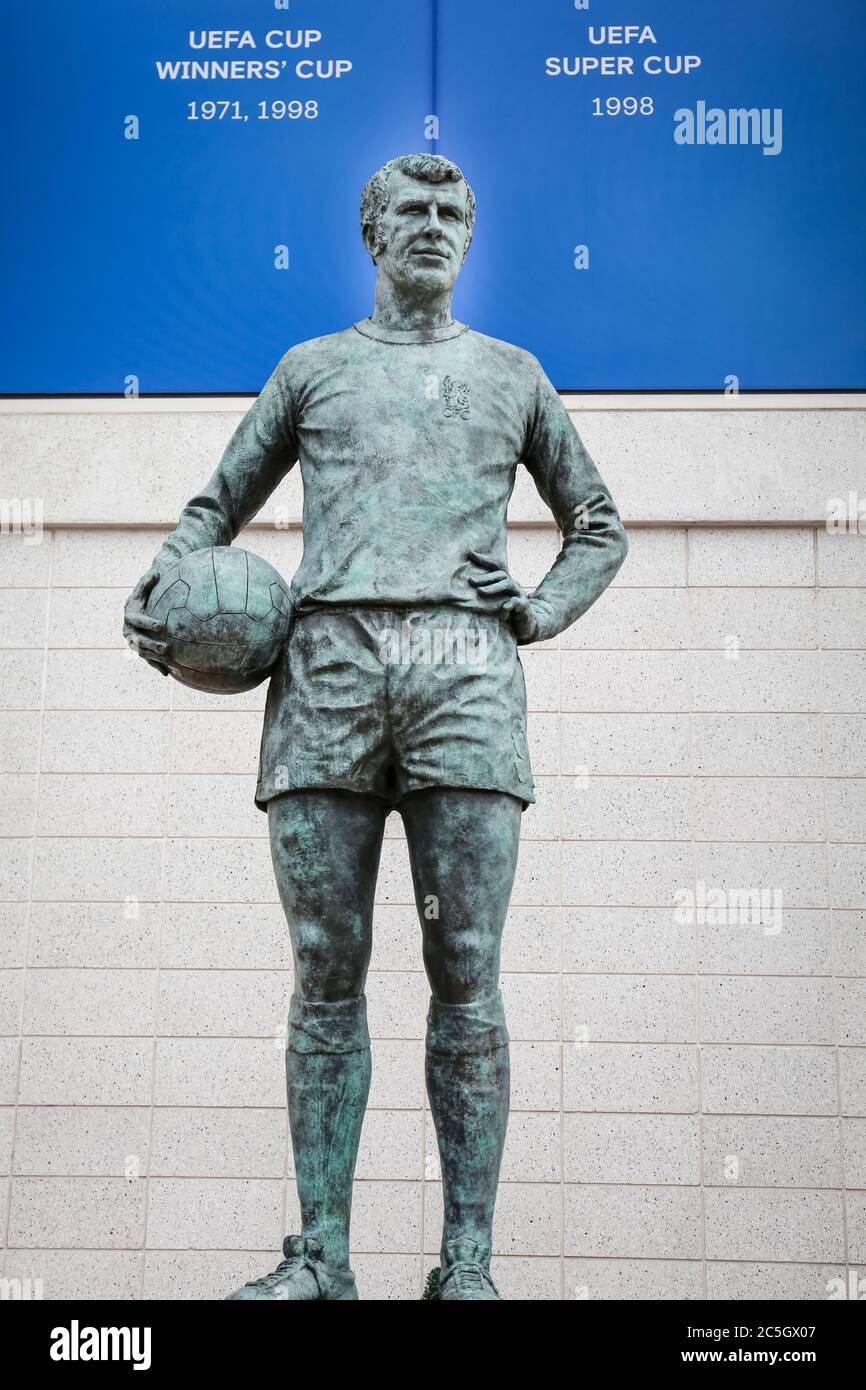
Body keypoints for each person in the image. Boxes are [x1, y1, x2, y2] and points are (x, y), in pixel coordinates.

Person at [123, 153, 628, 1300]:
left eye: (453, 211)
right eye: (411, 208)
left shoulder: (511, 373)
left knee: (465, 963)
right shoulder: (312, 370)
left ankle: (466, 1263)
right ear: (371, 232)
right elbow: (214, 508)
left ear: (470, 234)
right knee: (323, 963)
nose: (434, 225)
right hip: (328, 672)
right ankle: (322, 1255)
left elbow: (596, 523)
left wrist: (539, 608)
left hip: (463, 674)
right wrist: (159, 586)